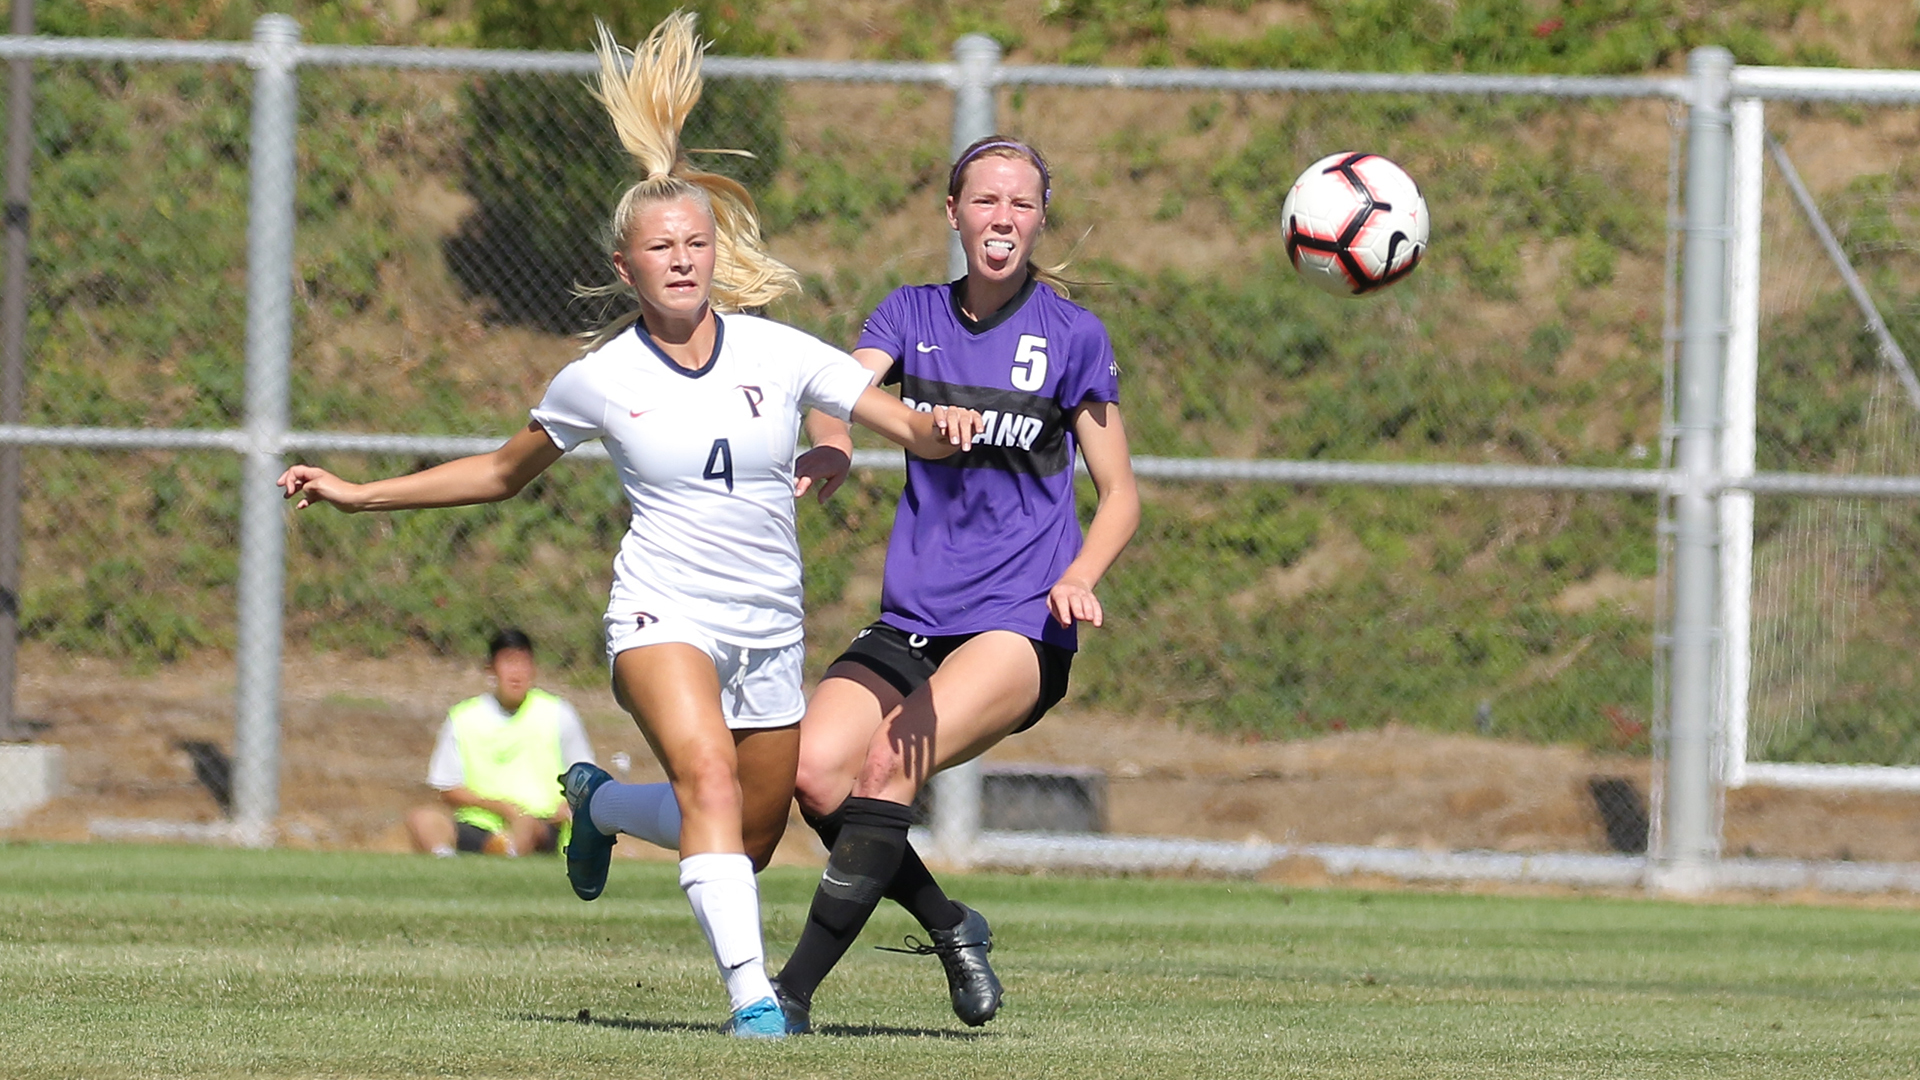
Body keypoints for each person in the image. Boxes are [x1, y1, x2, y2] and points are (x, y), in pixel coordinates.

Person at [277, 13, 981, 1040]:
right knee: (703, 779)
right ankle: (753, 1005)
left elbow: (902, 423)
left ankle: (597, 807)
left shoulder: (780, 353)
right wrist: (358, 492)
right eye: (662, 247)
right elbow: (501, 470)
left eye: (697, 242)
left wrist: (942, 426)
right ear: (625, 265)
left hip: (767, 625)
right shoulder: (598, 379)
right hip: (663, 614)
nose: (684, 259)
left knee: (748, 832)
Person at [769, 134, 1141, 1033]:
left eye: (1019, 202)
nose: (1002, 217)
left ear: (1039, 217)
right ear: (954, 214)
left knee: (889, 760)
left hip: (1020, 622)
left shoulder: (1071, 336)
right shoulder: (909, 315)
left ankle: (787, 995)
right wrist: (836, 440)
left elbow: (1122, 494)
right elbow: (836, 389)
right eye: (984, 201)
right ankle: (950, 924)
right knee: (816, 774)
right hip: (917, 615)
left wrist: (1082, 574)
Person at [405, 628, 595, 858]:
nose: (516, 673)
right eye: (508, 663)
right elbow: (448, 787)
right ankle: (447, 859)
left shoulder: (558, 713)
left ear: (533, 669)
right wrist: (502, 807)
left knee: (526, 826)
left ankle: (508, 852)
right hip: (479, 822)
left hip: (539, 823)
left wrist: (566, 806)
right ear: (491, 669)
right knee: (422, 819)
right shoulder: (463, 717)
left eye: (523, 663)